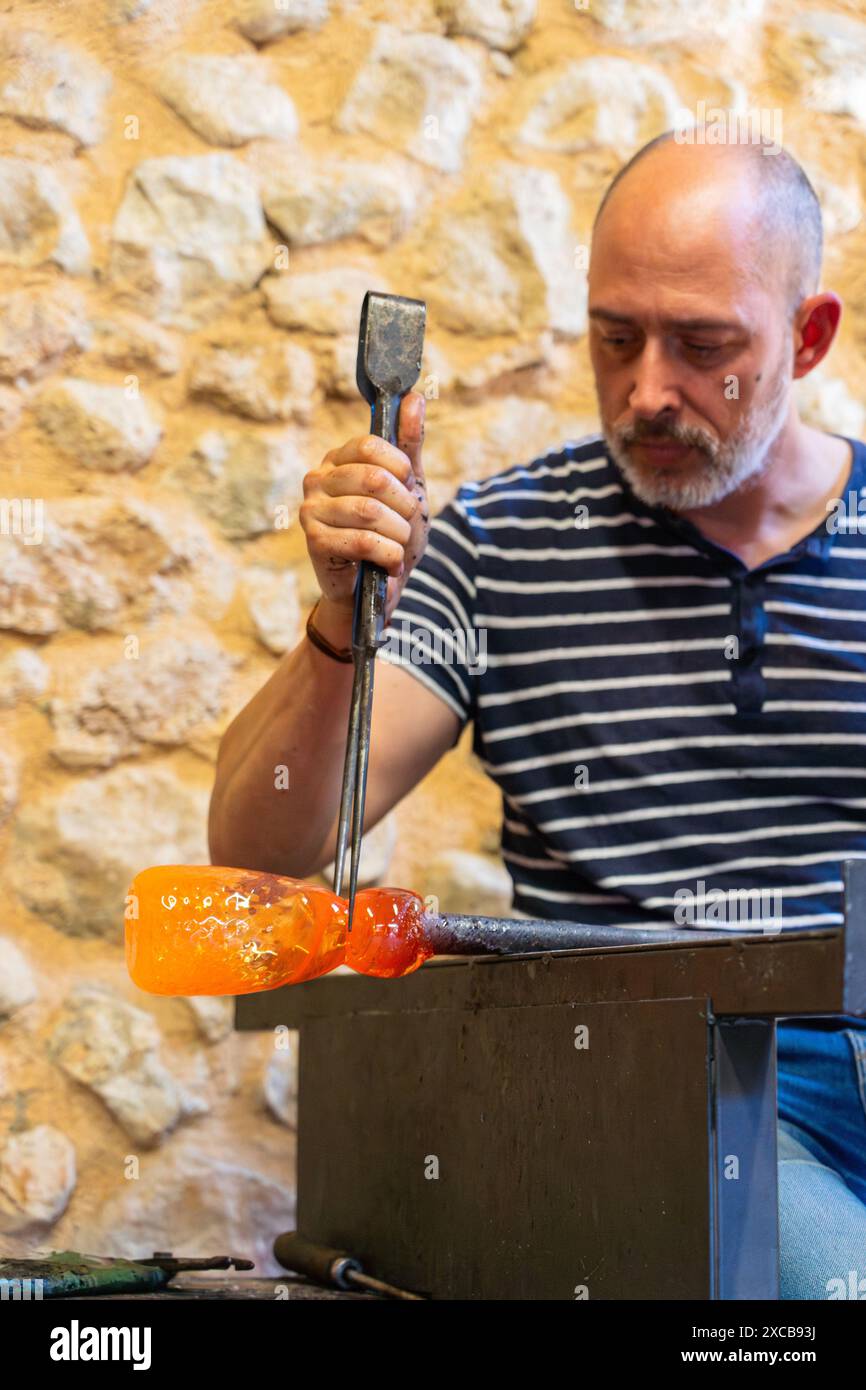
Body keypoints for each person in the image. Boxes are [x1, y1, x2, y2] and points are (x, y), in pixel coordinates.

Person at [208, 130, 866, 1298]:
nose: (647, 389)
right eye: (613, 337)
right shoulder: (496, 547)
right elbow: (260, 843)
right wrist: (342, 621)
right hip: (660, 1080)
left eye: (702, 345)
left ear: (806, 337)